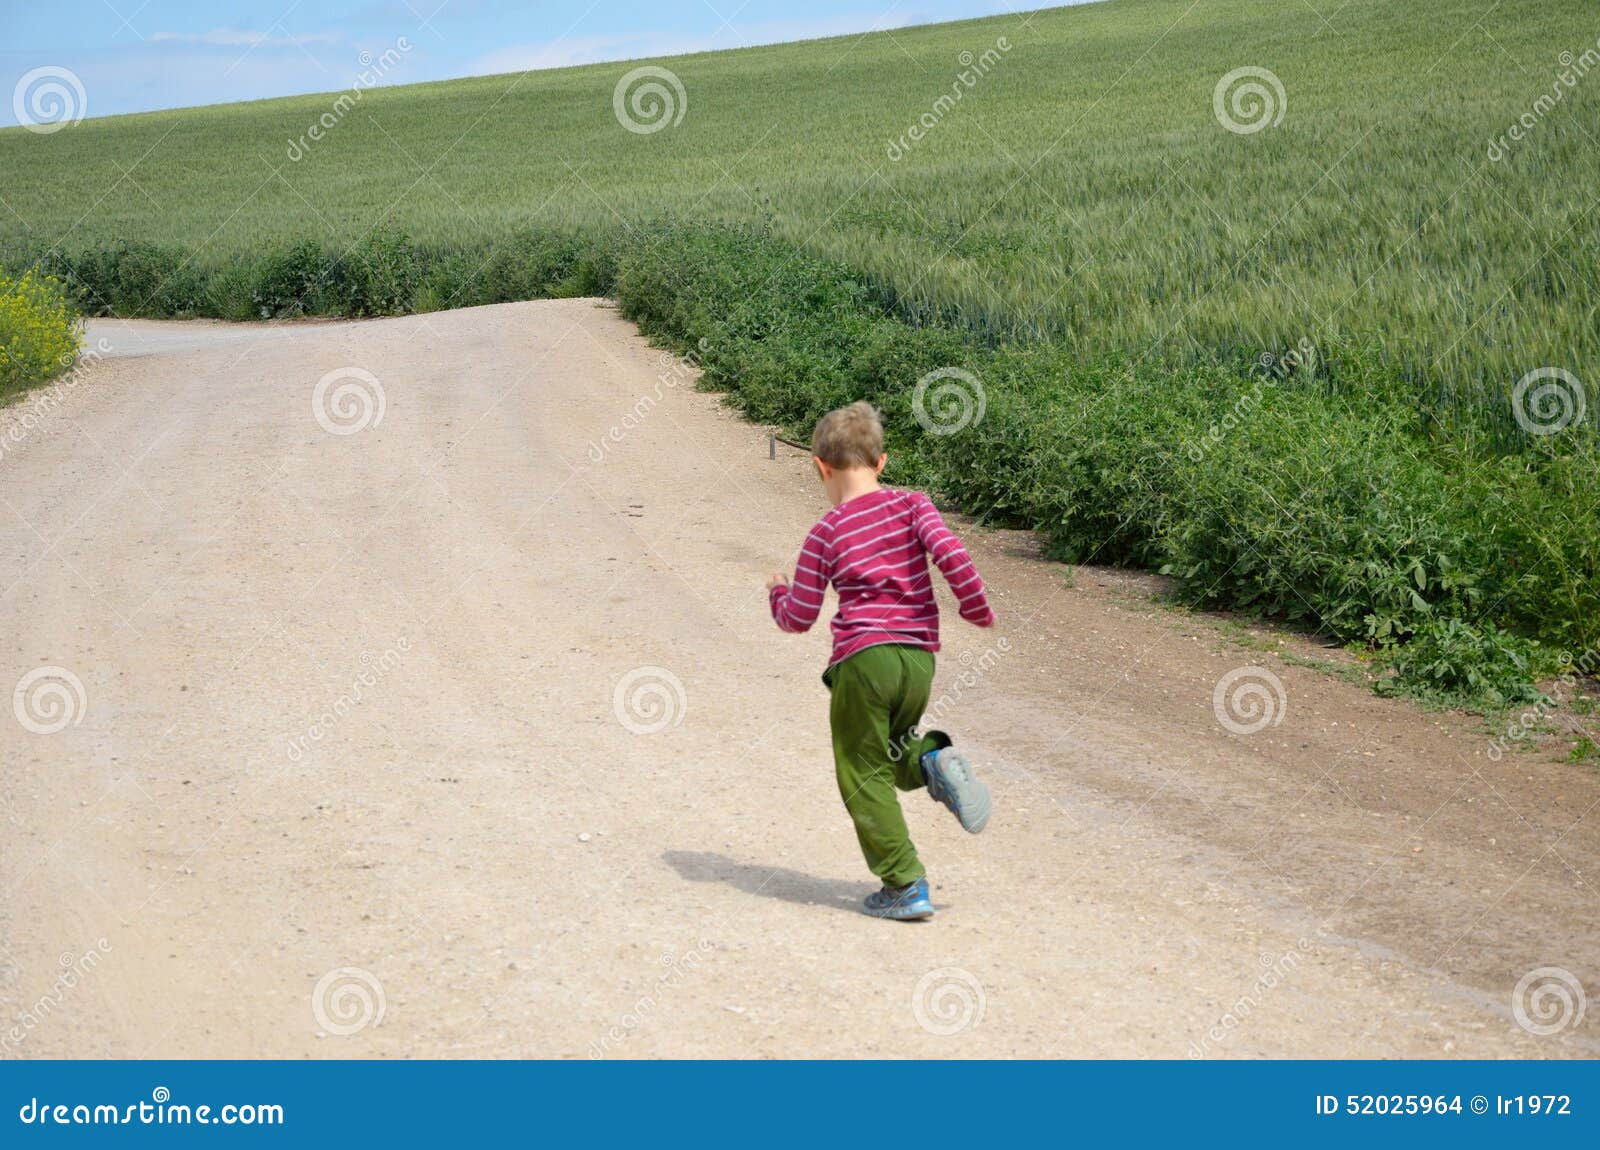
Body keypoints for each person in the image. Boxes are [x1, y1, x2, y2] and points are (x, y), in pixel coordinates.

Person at [766, 400, 995, 921]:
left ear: (820, 467)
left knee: (862, 773)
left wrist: (776, 593)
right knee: (893, 753)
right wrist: (975, 606)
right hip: (918, 661)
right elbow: (953, 555)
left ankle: (904, 883)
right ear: (882, 462)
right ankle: (934, 760)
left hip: (864, 662)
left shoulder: (825, 533)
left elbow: (799, 617)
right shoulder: (914, 505)